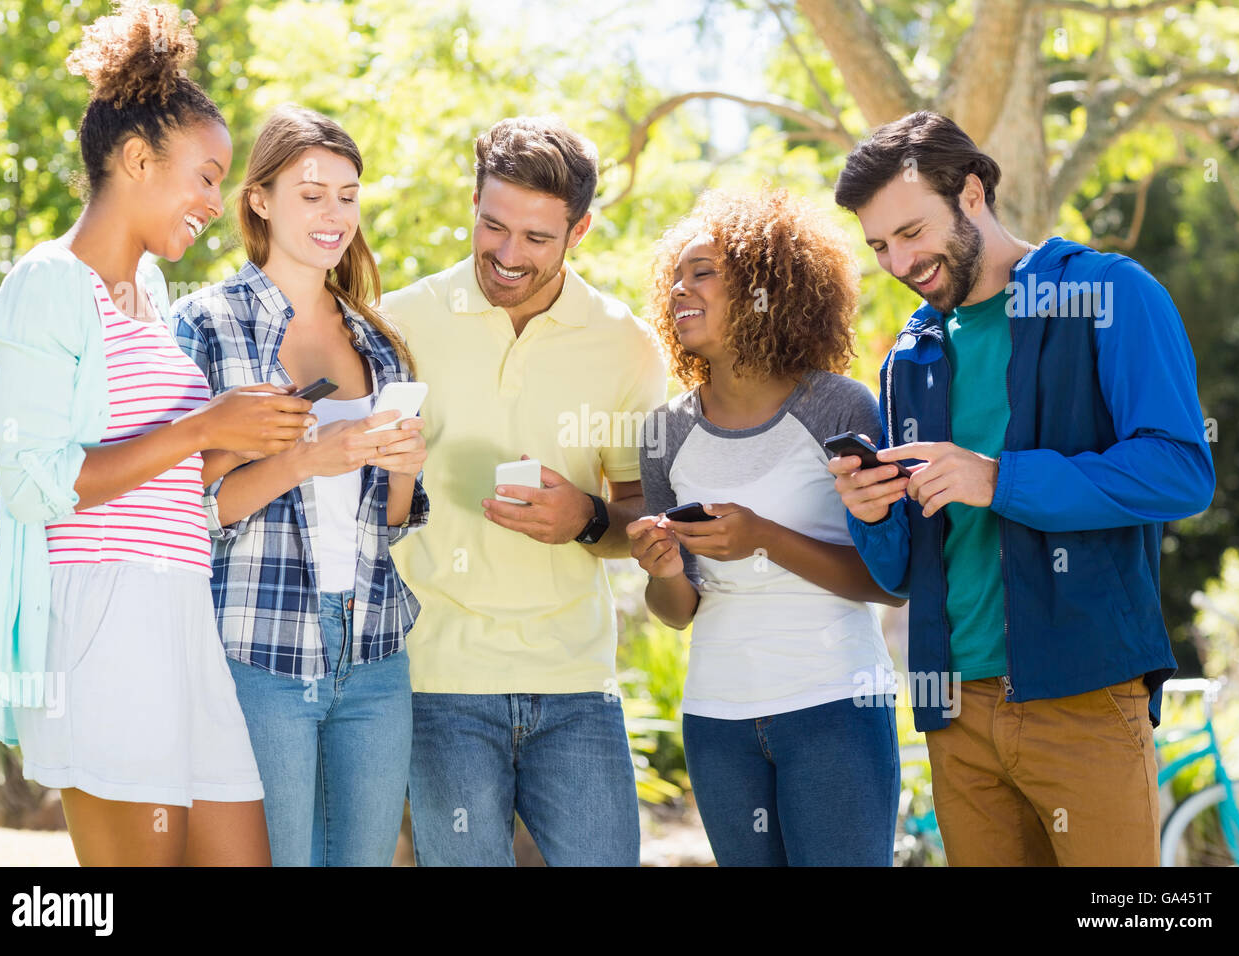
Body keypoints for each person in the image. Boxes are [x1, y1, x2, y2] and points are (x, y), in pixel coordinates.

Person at [828, 110, 1216, 866]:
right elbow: (907, 571)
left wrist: (1000, 479)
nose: (899, 261)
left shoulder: (1107, 293)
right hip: (956, 713)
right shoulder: (912, 354)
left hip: (1084, 696)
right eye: (879, 245)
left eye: (912, 232)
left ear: (972, 194)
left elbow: (1180, 469)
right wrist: (872, 512)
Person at [0, 0, 314, 866]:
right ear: (136, 158)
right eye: (205, 175)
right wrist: (205, 424)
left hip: (178, 610)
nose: (216, 200)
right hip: (102, 619)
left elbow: (154, 478)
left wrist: (235, 441)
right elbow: (36, 483)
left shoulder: (149, 299)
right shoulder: (49, 284)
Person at [380, 116, 667, 866]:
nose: (507, 257)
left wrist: (585, 516)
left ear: (581, 231)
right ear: (472, 203)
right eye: (492, 226)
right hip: (440, 677)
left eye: (538, 239)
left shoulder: (624, 343)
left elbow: (643, 519)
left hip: (575, 679)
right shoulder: (399, 323)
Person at [170, 105, 428, 867]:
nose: (334, 214)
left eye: (348, 196)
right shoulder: (205, 325)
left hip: (376, 653)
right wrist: (306, 461)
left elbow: (395, 521)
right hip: (257, 650)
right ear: (260, 198)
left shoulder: (378, 342)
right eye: (311, 193)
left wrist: (405, 472)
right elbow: (186, 508)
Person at [628, 189, 903, 866]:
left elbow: (889, 583)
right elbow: (677, 612)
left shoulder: (841, 405)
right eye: (675, 276)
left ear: (766, 286)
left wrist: (763, 538)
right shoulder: (664, 433)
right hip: (716, 718)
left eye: (703, 272)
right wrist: (663, 570)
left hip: (834, 705)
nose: (679, 288)